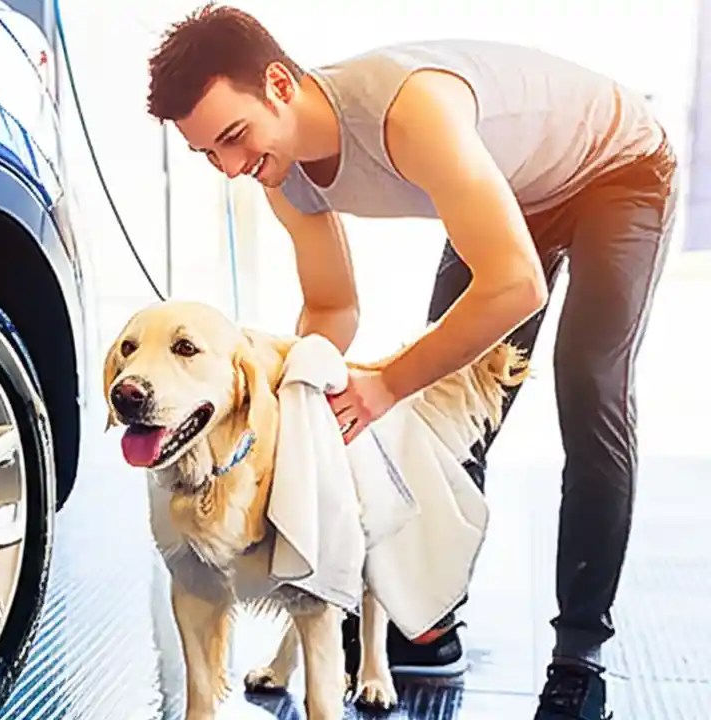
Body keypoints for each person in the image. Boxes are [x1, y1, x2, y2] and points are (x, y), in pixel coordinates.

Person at [144, 4, 678, 719]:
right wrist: (291, 410)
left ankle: (580, 654)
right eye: (210, 154)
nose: (233, 168)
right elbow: (333, 312)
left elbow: (515, 282)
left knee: (589, 385)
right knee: (453, 408)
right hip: (509, 188)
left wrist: (385, 384)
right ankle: (430, 618)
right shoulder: (283, 174)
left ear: (277, 84)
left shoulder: (409, 112)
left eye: (234, 138)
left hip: (616, 168)